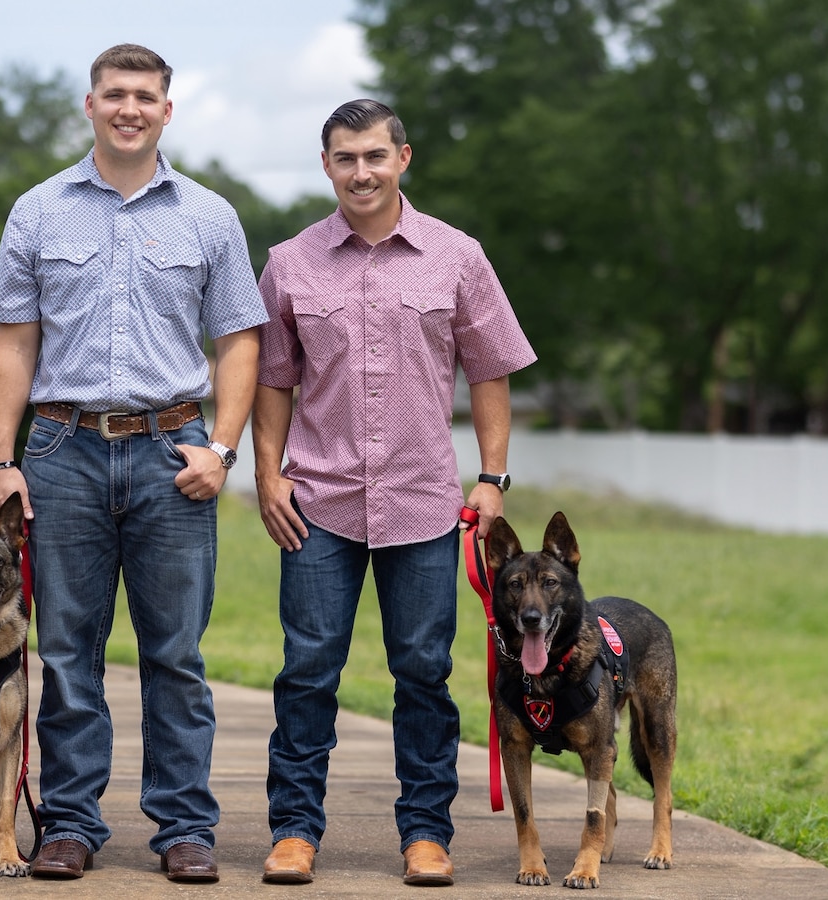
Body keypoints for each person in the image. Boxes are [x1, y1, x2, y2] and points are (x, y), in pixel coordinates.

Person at [0, 43, 267, 884]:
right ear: (91, 105)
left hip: (172, 453)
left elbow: (240, 342)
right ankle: (71, 824)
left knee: (176, 655)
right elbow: (13, 343)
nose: (129, 108)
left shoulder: (209, 216)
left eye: (145, 96)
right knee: (69, 653)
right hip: (60, 451)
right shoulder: (38, 211)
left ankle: (185, 828)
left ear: (166, 111)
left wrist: (224, 450)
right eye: (114, 94)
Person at [251, 99, 537, 887]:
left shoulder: (457, 256)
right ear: (326, 166)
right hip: (319, 502)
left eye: (374, 155)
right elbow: (273, 379)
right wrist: (268, 473)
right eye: (345, 158)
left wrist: (492, 478)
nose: (361, 172)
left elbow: (491, 370)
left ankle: (426, 834)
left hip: (422, 501)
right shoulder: (290, 263)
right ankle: (294, 831)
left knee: (422, 672)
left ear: (402, 158)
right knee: (308, 670)